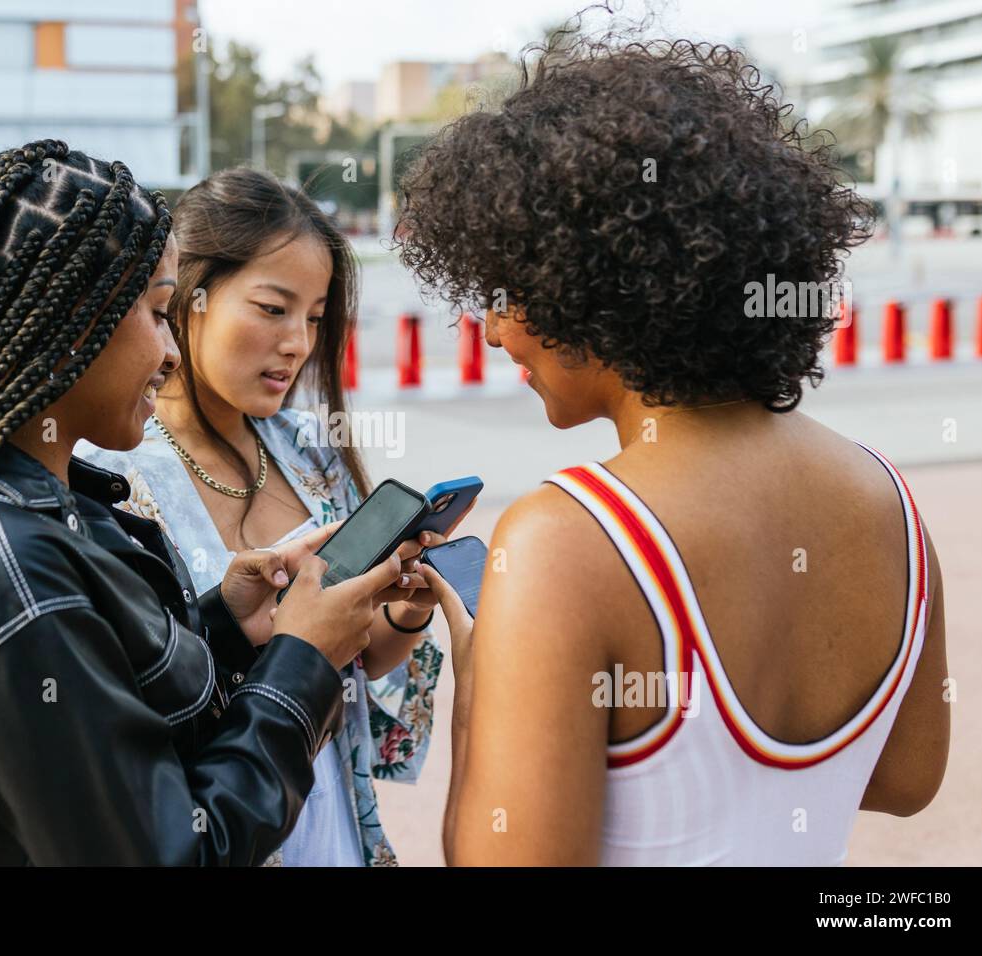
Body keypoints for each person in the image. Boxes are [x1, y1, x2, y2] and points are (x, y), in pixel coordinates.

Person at [396, 26, 951, 865]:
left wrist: (482, 670)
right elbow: (906, 778)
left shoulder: (569, 540)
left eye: (510, 288)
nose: (498, 329)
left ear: (598, 288)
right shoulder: (889, 504)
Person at [0, 140, 402, 866]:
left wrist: (229, 630)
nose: (170, 351)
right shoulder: (5, 571)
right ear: (69, 322)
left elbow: (123, 711)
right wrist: (301, 660)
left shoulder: (51, 509)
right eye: (156, 311)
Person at [78, 167, 449, 866]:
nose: (298, 344)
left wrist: (403, 608)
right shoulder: (112, 475)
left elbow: (363, 661)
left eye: (313, 317)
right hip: (208, 829)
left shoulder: (311, 448)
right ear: (192, 297)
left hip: (328, 818)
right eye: (273, 308)